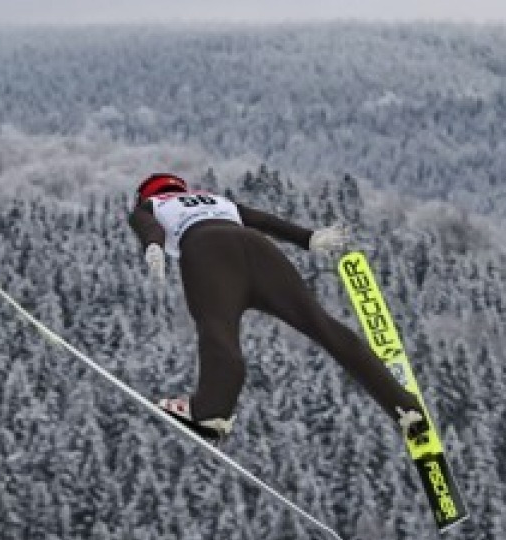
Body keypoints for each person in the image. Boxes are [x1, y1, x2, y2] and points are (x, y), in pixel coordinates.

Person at [127, 172, 427, 444]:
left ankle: (212, 409)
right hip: (258, 249)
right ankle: (404, 405)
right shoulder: (216, 200)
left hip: (207, 251)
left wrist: (153, 246)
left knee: (218, 331)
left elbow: (148, 226)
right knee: (322, 324)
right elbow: (264, 220)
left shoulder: (150, 205)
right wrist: (308, 238)